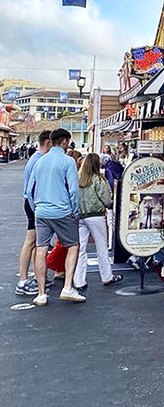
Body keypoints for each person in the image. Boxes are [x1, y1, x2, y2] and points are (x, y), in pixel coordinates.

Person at [27, 128, 85, 305]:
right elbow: (74, 191)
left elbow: (29, 191)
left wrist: (36, 208)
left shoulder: (39, 162)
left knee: (41, 249)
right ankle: (67, 287)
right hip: (62, 211)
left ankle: (41, 293)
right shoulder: (68, 161)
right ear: (65, 141)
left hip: (41, 211)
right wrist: (74, 211)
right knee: (73, 246)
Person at [73, 153, 122, 290]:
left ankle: (79, 281)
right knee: (101, 247)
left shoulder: (77, 178)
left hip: (80, 216)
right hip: (96, 216)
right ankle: (107, 277)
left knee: (80, 249)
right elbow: (107, 200)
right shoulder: (98, 179)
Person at [15, 130, 52, 296]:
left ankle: (39, 276)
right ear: (48, 143)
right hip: (33, 204)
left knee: (38, 242)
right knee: (31, 242)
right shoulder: (38, 161)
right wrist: (37, 209)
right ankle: (23, 281)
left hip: (33, 204)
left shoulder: (36, 159)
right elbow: (31, 189)